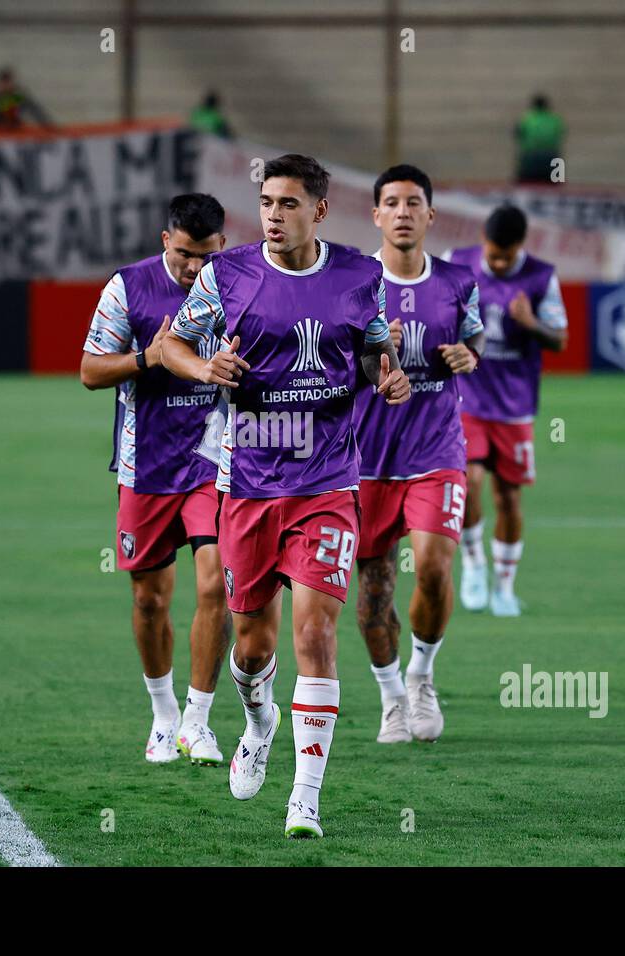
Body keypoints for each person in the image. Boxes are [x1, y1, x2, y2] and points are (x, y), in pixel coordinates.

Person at [161, 154, 409, 839]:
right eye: (267, 201)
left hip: (326, 482)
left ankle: (305, 799)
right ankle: (259, 721)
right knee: (251, 645)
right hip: (245, 485)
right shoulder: (227, 274)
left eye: (289, 203)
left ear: (320, 210)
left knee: (316, 634)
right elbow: (170, 344)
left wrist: (387, 376)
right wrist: (204, 365)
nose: (273, 214)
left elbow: (375, 349)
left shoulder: (361, 275)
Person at [79, 194, 231, 765]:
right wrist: (150, 357)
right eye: (187, 254)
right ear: (165, 240)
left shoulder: (237, 281)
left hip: (214, 460)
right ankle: (163, 714)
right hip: (147, 468)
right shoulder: (128, 287)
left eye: (208, 255)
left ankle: (199, 719)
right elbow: (91, 370)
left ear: (224, 244)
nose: (197, 268)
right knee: (149, 599)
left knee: (218, 584)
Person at [353, 165, 483, 745]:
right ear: (376, 215)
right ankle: (390, 698)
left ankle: (423, 675)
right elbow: (329, 362)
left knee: (432, 568)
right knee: (376, 588)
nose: (403, 213)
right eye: (391, 203)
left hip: (436, 452)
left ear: (431, 215)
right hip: (365, 461)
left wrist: (466, 355)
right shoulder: (353, 284)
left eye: (414, 203)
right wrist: (375, 355)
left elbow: (474, 337)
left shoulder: (458, 282)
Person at [448, 205, 568, 617]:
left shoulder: (541, 276)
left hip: (515, 407)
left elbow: (560, 340)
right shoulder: (457, 263)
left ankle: (504, 585)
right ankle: (474, 566)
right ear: (483, 237)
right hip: (468, 399)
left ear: (521, 246)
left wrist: (531, 323)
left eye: (505, 256)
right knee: (469, 484)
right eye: (493, 254)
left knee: (509, 499)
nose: (497, 263)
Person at [514, 94, 565, 184]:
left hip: (530, 157)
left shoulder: (527, 119)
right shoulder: (555, 119)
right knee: (556, 187)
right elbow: (560, 134)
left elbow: (518, 133)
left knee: (525, 185)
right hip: (552, 156)